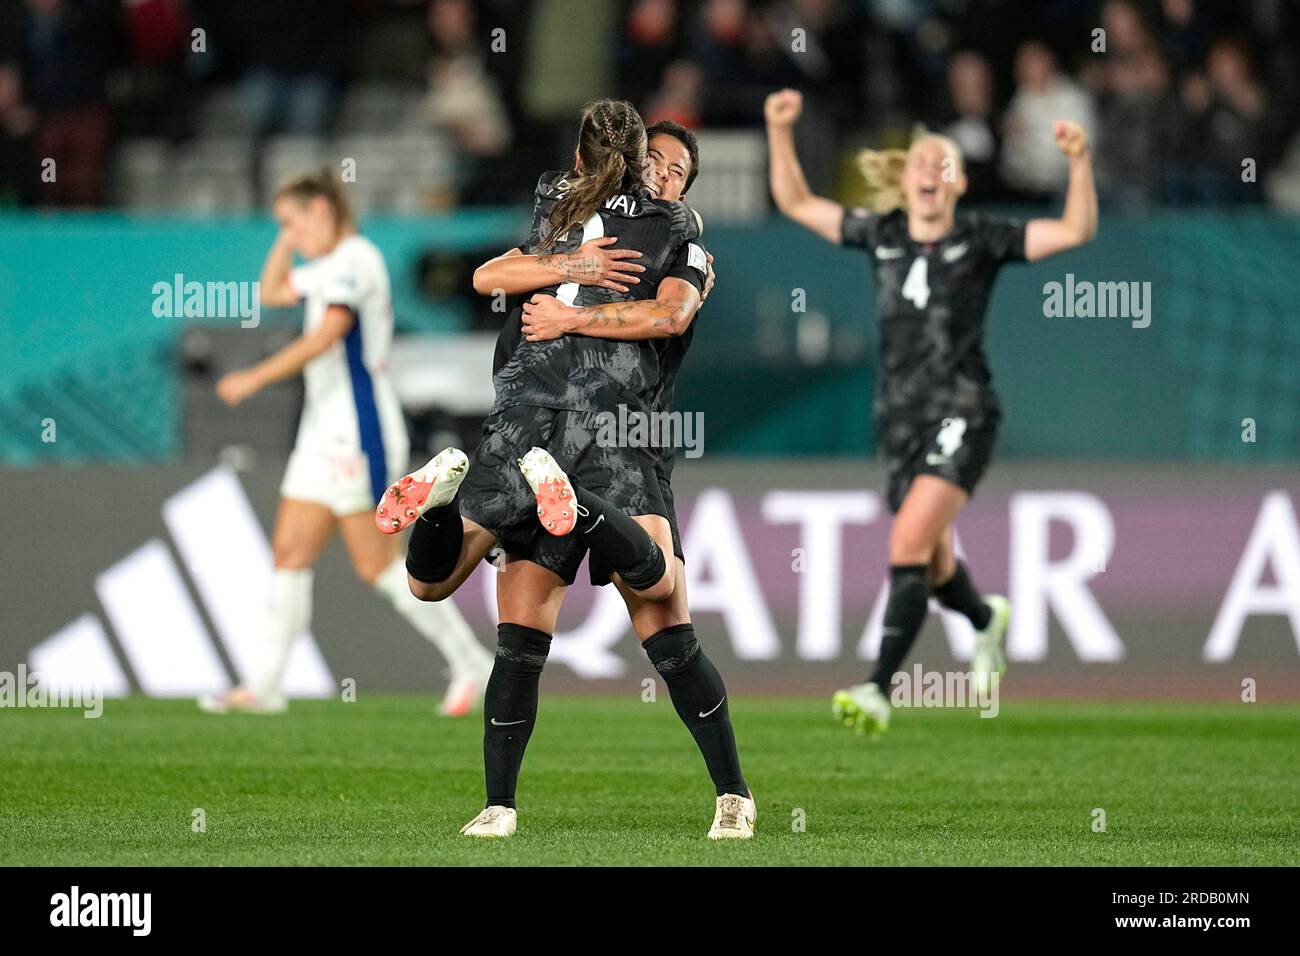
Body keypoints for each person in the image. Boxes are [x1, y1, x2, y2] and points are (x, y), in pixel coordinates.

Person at [378, 102, 754, 838]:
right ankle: (507, 804)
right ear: (634, 163)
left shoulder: (682, 244)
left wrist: (567, 307)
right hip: (600, 427)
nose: (664, 176)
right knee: (635, 607)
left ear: (688, 187)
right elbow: (502, 273)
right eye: (656, 162)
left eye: (679, 171)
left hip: (564, 425)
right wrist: (573, 269)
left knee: (445, 585)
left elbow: (667, 314)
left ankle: (452, 499)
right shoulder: (592, 212)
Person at [764, 87, 1098, 735]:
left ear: (960, 182)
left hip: (963, 410)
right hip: (900, 419)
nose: (929, 173)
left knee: (908, 542)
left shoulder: (982, 239)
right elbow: (797, 202)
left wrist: (1080, 162)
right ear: (907, 176)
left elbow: (1076, 230)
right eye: (920, 163)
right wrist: (780, 130)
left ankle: (877, 688)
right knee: (935, 562)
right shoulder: (881, 233)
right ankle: (981, 618)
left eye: (942, 165)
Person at [200, 169, 492, 717]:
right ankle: (264, 686)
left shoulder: (356, 260)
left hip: (358, 431)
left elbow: (328, 334)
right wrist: (287, 239)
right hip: (319, 432)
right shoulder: (326, 266)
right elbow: (270, 291)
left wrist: (256, 378)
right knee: (289, 552)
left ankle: (471, 660)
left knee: (377, 566)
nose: (289, 232)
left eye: (293, 220)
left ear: (323, 212)